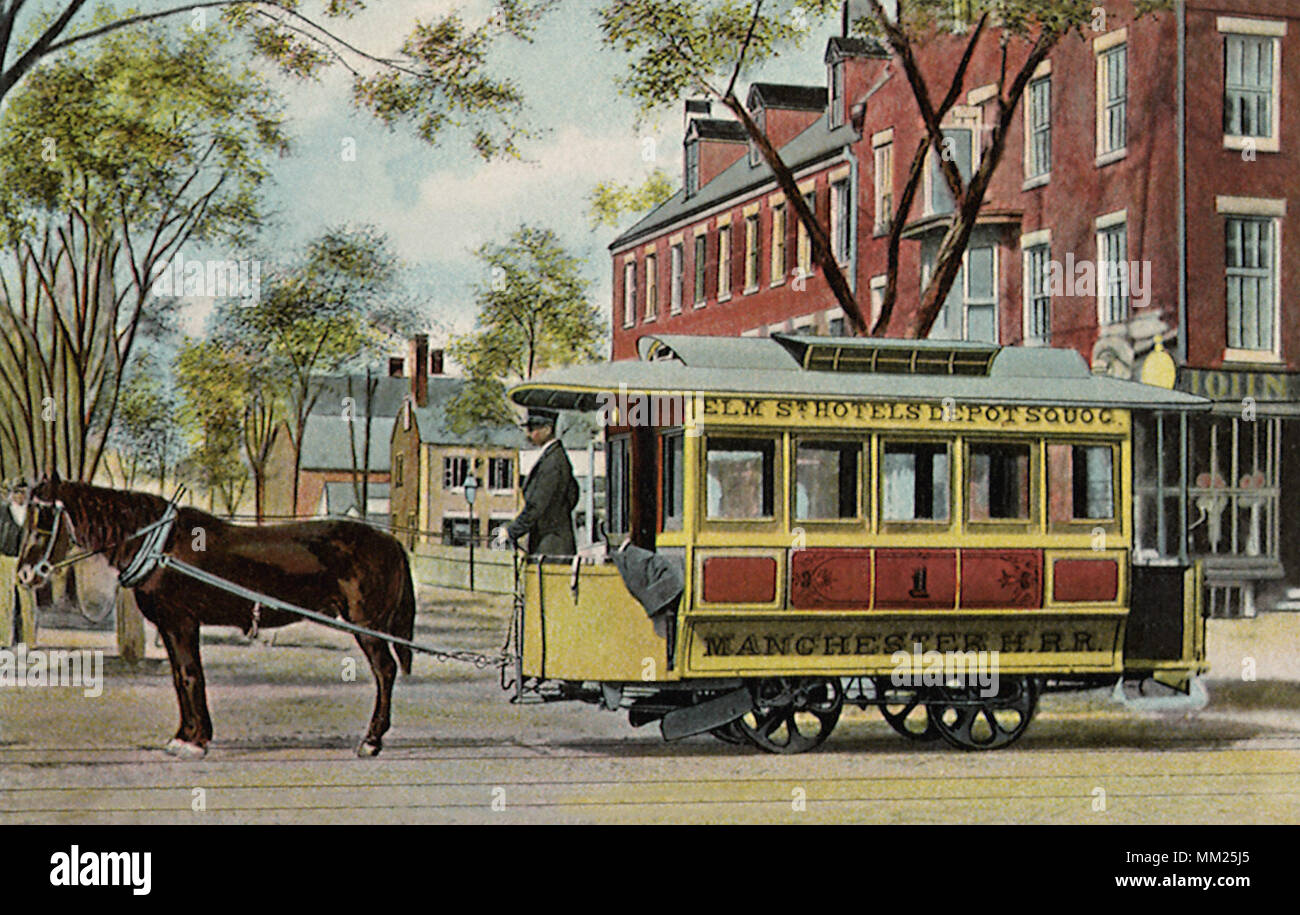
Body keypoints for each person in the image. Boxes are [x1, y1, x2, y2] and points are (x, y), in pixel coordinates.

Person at [495, 409, 579, 556]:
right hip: (552, 542)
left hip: (551, 546)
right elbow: (573, 495)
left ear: (547, 429)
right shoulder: (554, 457)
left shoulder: (553, 462)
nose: (528, 434)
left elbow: (536, 506)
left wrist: (511, 531)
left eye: (533, 429)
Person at [0, 479, 36, 647]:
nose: (20, 496)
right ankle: (4, 639)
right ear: (11, 494)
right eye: (16, 492)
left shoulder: (32, 514)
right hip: (5, 558)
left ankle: (30, 641)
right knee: (5, 600)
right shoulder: (3, 511)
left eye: (22, 492)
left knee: (27, 600)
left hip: (27, 561)